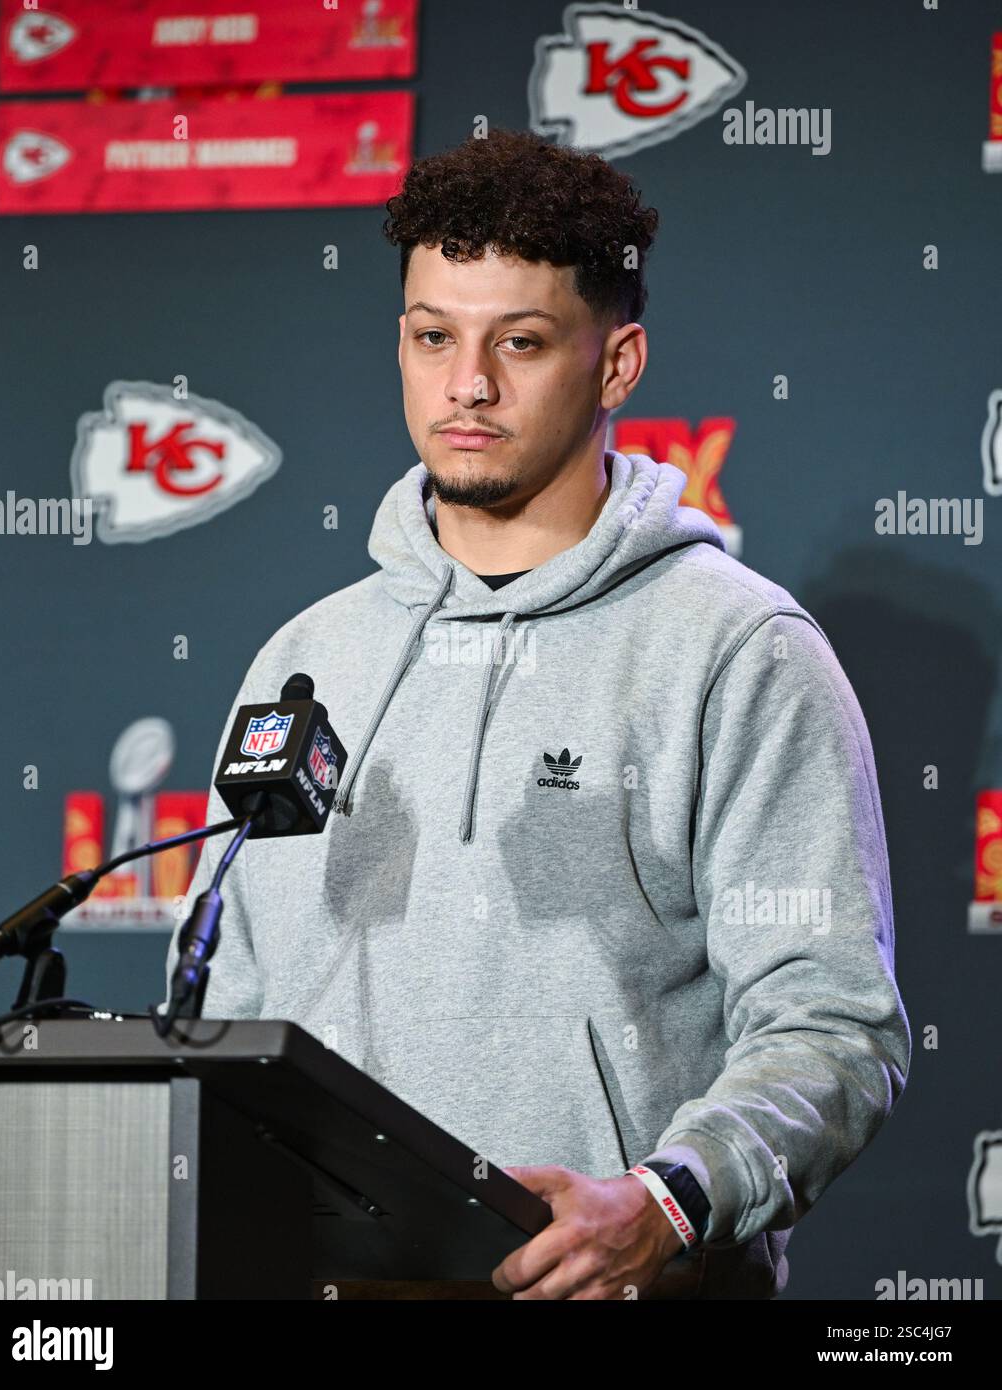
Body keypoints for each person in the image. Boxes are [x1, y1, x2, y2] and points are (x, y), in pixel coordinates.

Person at [165, 127, 910, 1300]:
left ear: (616, 365)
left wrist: (666, 1201)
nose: (467, 383)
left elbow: (832, 1027)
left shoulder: (736, 650)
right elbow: (224, 1013)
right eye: (433, 337)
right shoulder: (309, 659)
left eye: (518, 341)